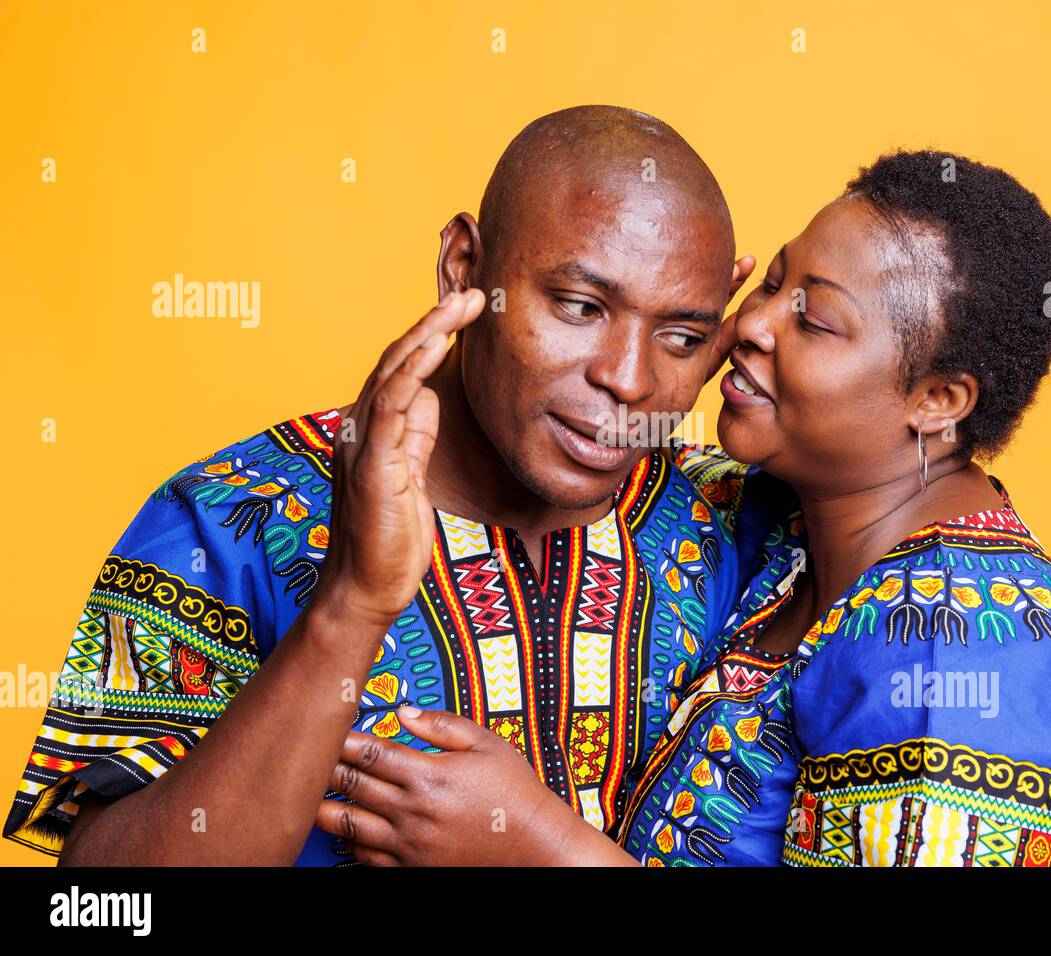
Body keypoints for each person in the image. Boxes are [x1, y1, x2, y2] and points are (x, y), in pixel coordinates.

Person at [320, 150, 1051, 868]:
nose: (750, 324)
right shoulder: (783, 533)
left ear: (938, 400)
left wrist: (540, 848)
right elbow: (563, 434)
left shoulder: (962, 649)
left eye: (814, 321)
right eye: (774, 283)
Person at [2, 105, 757, 865]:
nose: (629, 379)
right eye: (580, 306)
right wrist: (350, 604)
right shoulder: (234, 515)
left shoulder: (729, 521)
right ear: (464, 265)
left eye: (682, 336)